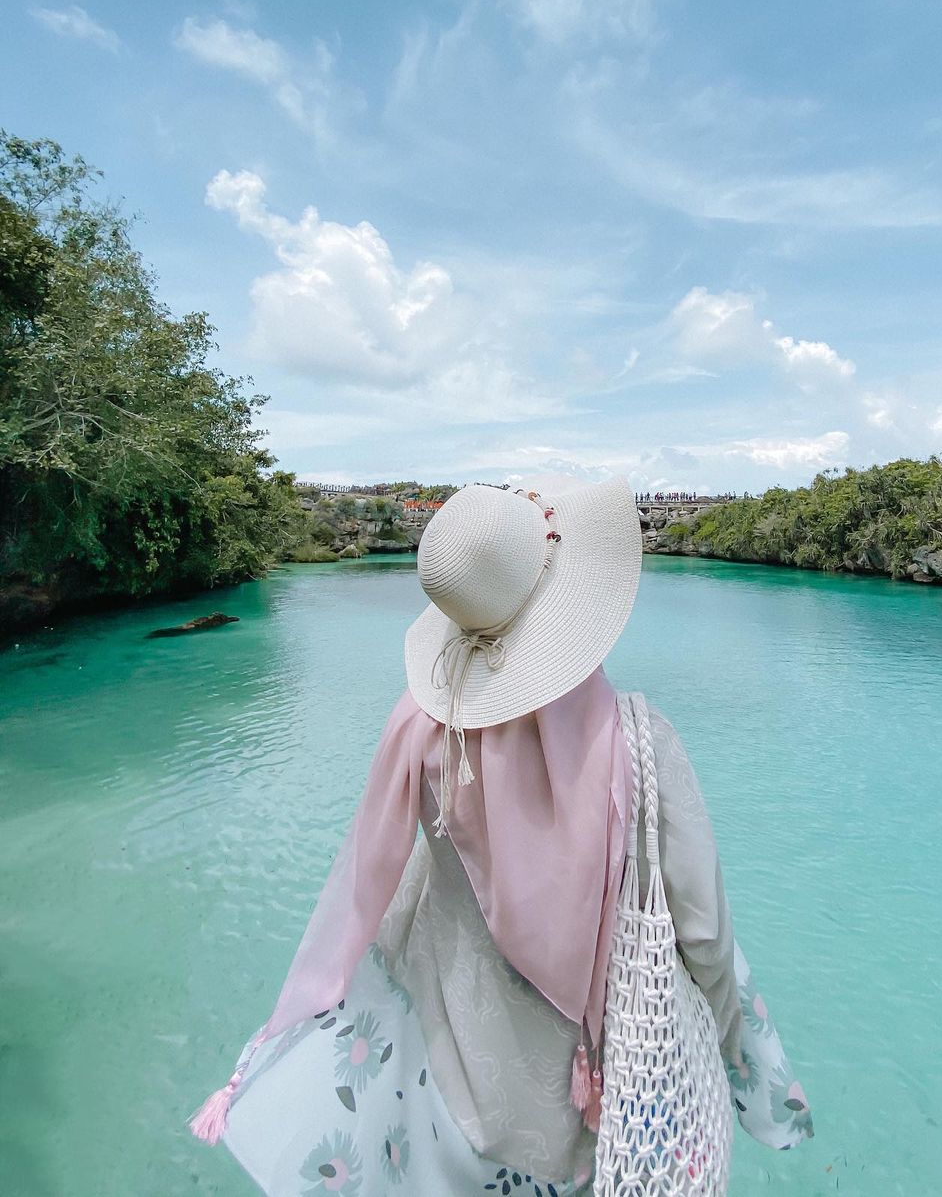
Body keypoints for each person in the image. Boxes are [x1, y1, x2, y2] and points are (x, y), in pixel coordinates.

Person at [188, 477, 811, 1194]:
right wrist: (752, 1076)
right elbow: (705, 936)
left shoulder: (423, 730)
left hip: (440, 1071)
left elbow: (389, 883)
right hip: (592, 1084)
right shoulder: (640, 746)